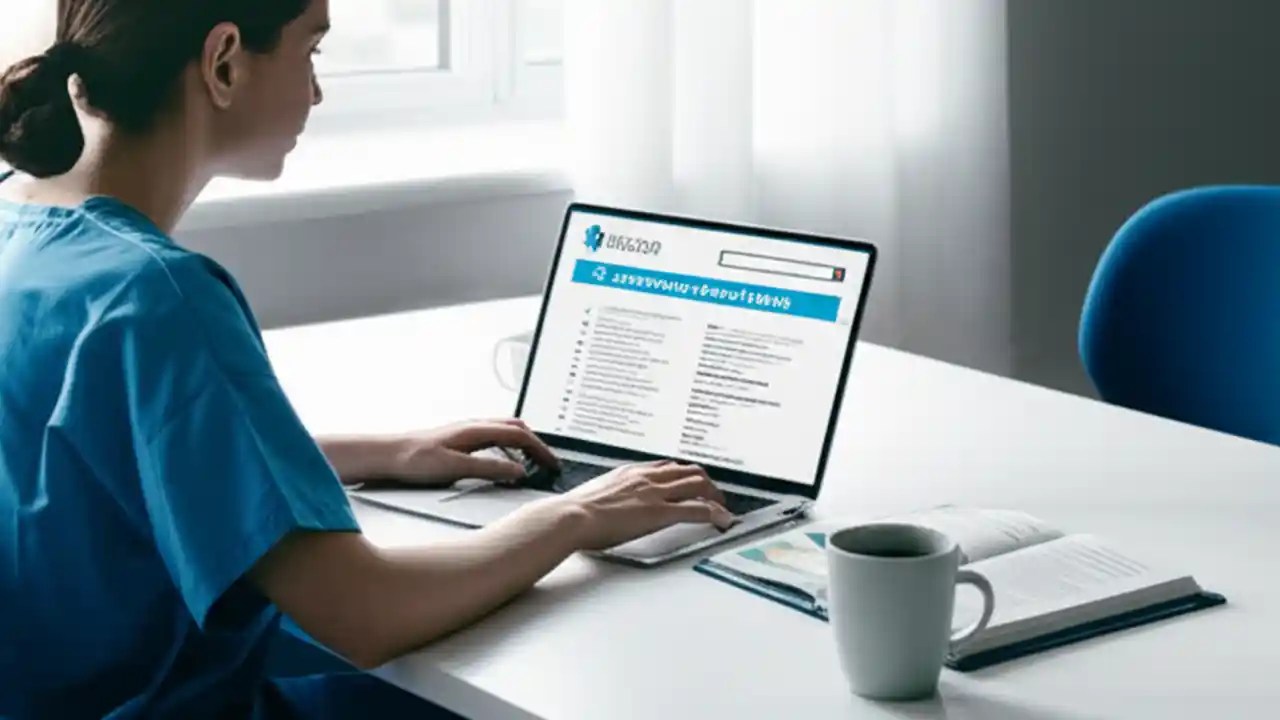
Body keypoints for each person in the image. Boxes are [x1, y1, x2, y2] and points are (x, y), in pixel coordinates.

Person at [0, 1, 734, 718]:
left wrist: (384, 452)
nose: (317, 91)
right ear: (224, 61)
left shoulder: (23, 234)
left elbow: (107, 460)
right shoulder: (159, 296)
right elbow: (365, 612)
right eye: (311, 50)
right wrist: (576, 515)